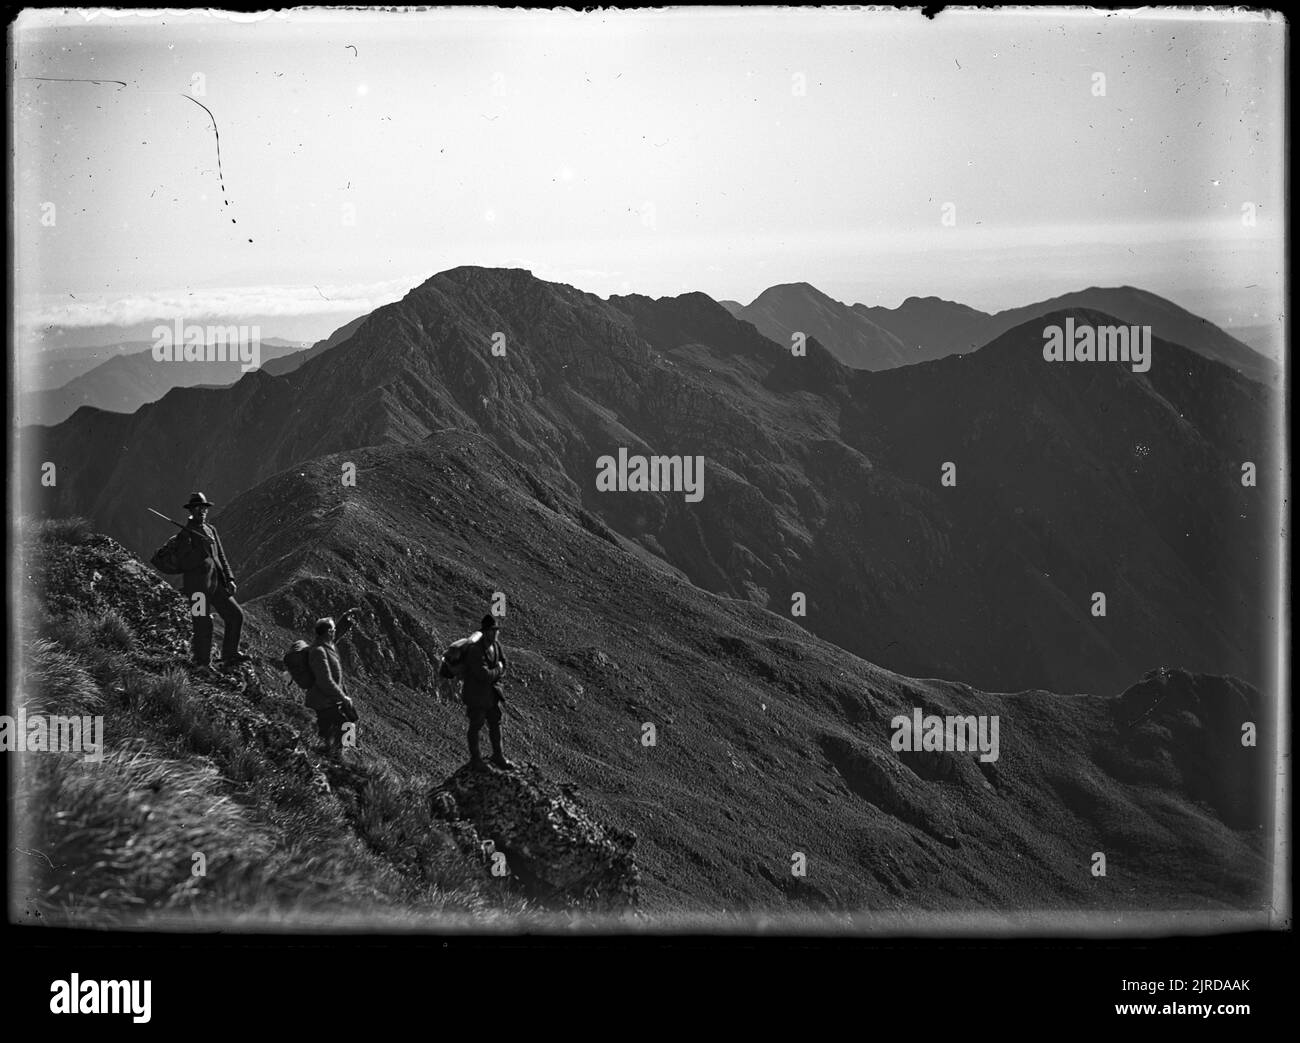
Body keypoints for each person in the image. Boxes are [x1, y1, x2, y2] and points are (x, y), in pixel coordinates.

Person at [179, 492, 248, 672]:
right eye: (198, 508)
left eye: (204, 508)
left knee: (236, 615)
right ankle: (202, 664)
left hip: (217, 585)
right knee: (202, 624)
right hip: (196, 590)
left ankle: (229, 654)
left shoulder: (211, 530)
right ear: (192, 510)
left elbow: (221, 557)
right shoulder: (185, 534)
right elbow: (184, 562)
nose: (201, 511)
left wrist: (230, 578)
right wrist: (201, 549)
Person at [306, 611, 360, 760]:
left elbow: (337, 634)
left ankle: (337, 755)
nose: (335, 631)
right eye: (332, 629)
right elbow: (325, 681)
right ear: (327, 632)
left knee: (346, 723)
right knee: (346, 724)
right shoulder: (319, 652)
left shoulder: (325, 644)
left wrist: (345, 619)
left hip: (328, 700)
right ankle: (340, 758)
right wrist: (343, 697)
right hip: (322, 702)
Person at [462, 614, 512, 771]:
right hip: (477, 695)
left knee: (495, 723)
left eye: (496, 630)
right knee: (476, 724)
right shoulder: (476, 650)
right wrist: (498, 669)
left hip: (491, 693)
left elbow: (504, 663)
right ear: (486, 631)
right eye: (493, 630)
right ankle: (475, 759)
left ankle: (498, 755)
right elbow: (483, 675)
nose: (496, 632)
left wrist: (497, 670)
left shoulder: (496, 646)